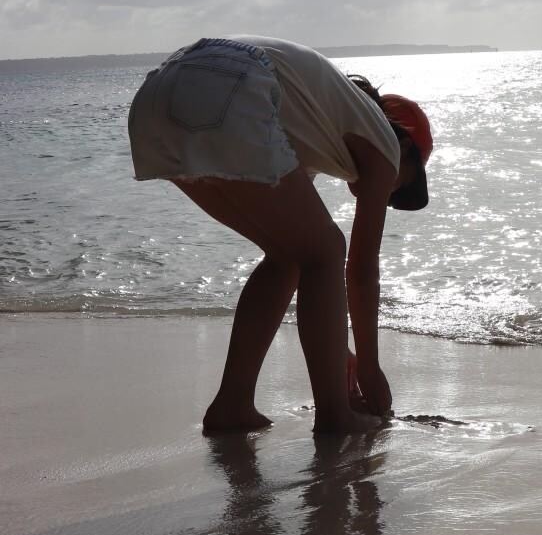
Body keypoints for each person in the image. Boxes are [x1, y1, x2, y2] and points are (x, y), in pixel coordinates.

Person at [127, 35, 433, 435]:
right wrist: (371, 370)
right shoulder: (384, 143)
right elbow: (361, 271)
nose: (392, 192)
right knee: (327, 249)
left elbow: (305, 259)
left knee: (289, 253)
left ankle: (232, 404)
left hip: (155, 97)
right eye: (404, 184)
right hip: (230, 85)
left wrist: (339, 352)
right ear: (405, 146)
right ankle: (335, 415)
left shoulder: (311, 120)